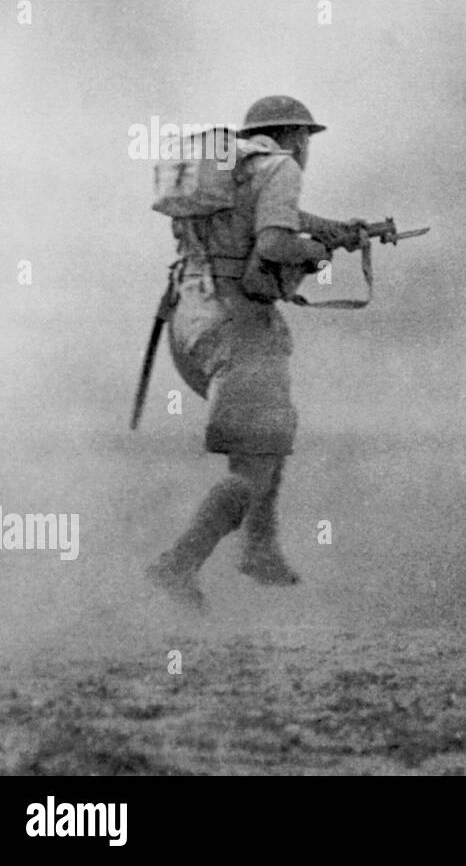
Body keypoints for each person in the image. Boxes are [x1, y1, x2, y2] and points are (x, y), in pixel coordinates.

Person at [145, 95, 366, 610]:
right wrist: (320, 252)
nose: (307, 149)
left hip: (189, 321)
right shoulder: (281, 168)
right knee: (253, 467)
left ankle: (260, 548)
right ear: (293, 136)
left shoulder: (229, 169)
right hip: (237, 324)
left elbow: (261, 222)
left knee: (267, 437)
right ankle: (179, 562)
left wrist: (334, 227)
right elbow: (273, 246)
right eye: (307, 138)